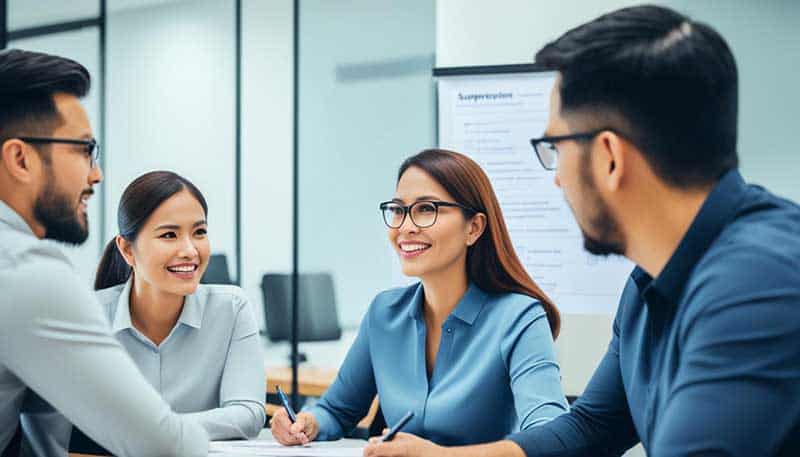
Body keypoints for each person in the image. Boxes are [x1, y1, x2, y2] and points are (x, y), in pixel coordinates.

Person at [363, 5, 800, 457]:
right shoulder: (648, 284)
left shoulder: (759, 281)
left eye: (556, 147)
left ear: (609, 156)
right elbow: (590, 428)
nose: (557, 177)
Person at [271, 149, 569, 447]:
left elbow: (551, 432)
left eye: (427, 209)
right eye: (399, 210)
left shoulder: (519, 317)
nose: (405, 227)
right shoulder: (384, 313)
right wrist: (308, 423)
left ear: (474, 228)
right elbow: (336, 410)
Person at [0, 49, 208, 456]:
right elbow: (163, 445)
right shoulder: (24, 271)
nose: (95, 173)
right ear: (20, 159)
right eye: (82, 149)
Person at [24, 171, 266, 454]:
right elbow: (55, 430)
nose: (190, 250)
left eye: (199, 232)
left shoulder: (231, 308)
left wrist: (153, 433)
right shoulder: (84, 316)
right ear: (127, 250)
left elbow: (247, 414)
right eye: (169, 235)